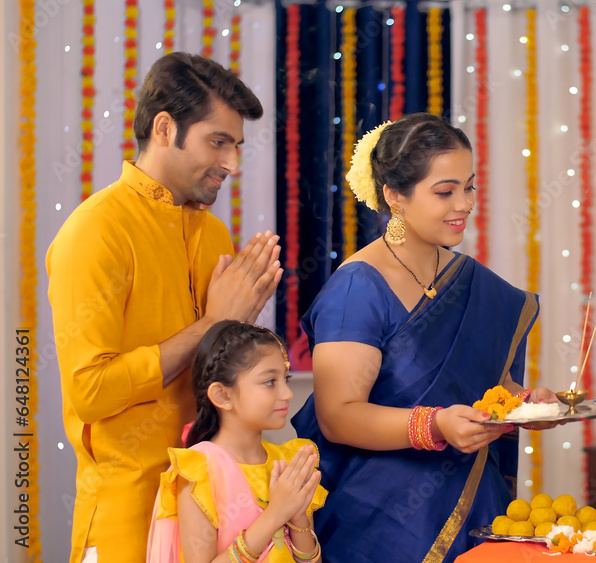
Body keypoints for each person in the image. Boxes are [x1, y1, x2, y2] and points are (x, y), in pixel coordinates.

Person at [46, 52, 282, 563]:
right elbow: (90, 393)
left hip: (214, 513)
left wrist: (236, 333)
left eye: (237, 146)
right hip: (126, 520)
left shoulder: (212, 231)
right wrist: (213, 324)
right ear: (164, 127)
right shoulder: (95, 232)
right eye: (218, 142)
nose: (232, 164)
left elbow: (214, 381)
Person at [291, 113, 555, 562]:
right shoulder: (358, 288)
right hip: (380, 522)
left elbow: (485, 387)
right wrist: (434, 426)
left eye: (469, 187)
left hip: (476, 506)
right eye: (445, 192)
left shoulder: (471, 281)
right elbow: (338, 416)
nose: (465, 204)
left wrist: (525, 403)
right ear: (394, 195)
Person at [147, 321, 327, 562]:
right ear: (222, 395)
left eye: (287, 379)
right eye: (270, 382)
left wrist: (298, 521)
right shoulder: (200, 470)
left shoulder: (287, 463)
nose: (287, 394)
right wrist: (274, 515)